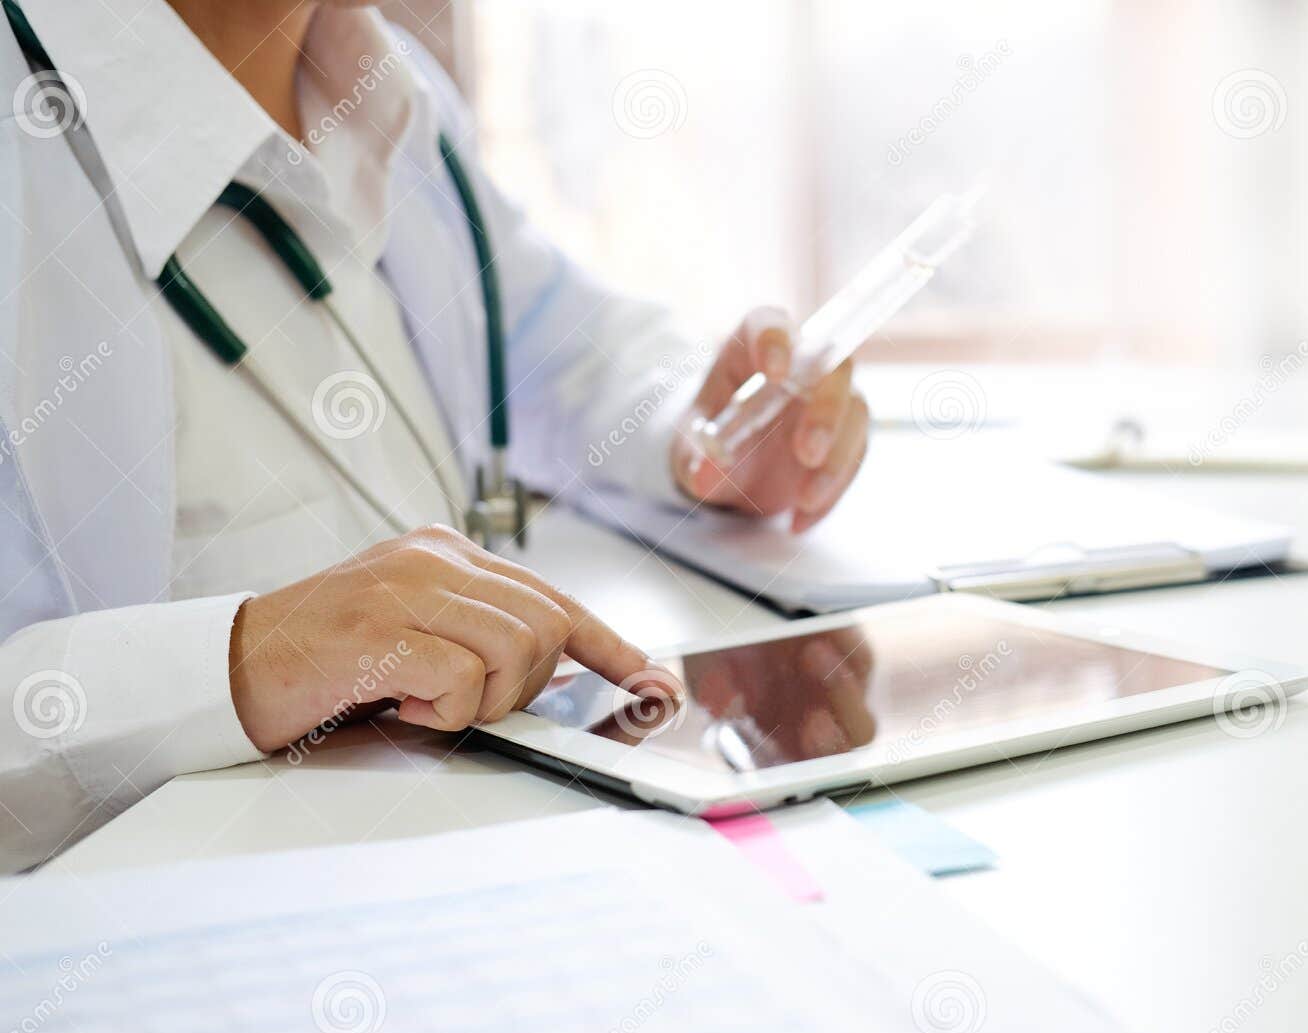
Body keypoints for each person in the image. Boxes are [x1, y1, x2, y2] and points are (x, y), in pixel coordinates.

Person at [0, 0, 869, 872]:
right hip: (155, 931)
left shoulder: (380, 79)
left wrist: (706, 431)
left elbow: (551, 339)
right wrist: (244, 661)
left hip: (470, 862)